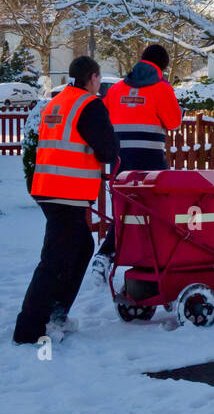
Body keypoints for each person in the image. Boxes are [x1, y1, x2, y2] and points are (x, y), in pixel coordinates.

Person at [12, 56, 118, 345]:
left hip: (48, 188)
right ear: (93, 78)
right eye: (98, 80)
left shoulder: (57, 102)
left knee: (82, 247)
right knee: (55, 260)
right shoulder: (89, 105)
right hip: (67, 193)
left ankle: (56, 314)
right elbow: (108, 149)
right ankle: (30, 329)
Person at [90, 43, 183, 281]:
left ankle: (106, 254)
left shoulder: (118, 88)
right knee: (159, 209)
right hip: (150, 157)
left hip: (120, 158)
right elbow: (173, 122)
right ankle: (158, 257)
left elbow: (105, 117)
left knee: (124, 210)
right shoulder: (161, 88)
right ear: (162, 66)